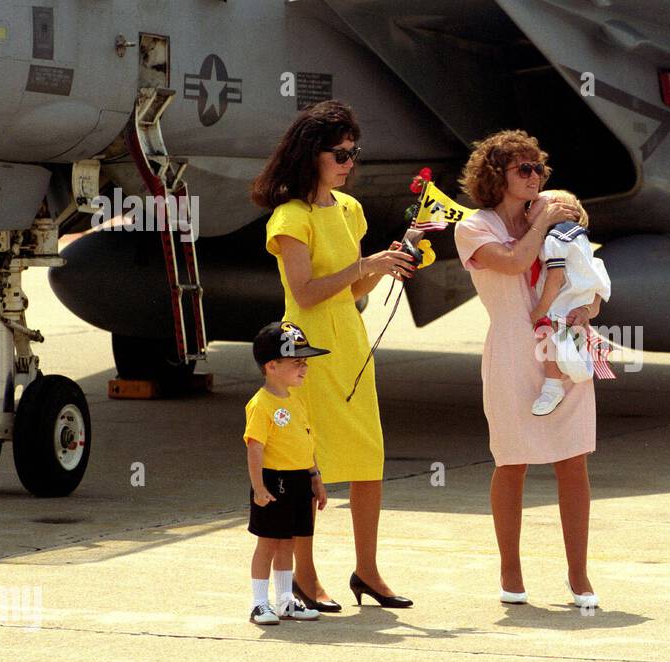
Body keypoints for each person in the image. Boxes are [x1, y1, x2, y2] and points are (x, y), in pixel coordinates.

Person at [250, 102, 417, 612]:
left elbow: (352, 287)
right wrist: (364, 264)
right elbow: (304, 292)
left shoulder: (349, 210)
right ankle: (304, 575)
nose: (348, 161)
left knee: (369, 458)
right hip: (306, 348)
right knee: (305, 464)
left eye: (353, 152)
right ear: (311, 154)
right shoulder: (289, 219)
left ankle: (367, 570)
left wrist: (387, 264)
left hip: (349, 340)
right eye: (339, 153)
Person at [454, 131, 605, 610]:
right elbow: (515, 260)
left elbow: (587, 276)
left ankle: (578, 574)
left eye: (539, 168)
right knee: (511, 461)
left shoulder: (556, 219)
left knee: (574, 460)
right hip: (513, 349)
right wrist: (541, 223)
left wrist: (590, 309)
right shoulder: (473, 228)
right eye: (524, 169)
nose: (536, 177)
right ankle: (510, 570)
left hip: (564, 343)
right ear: (497, 175)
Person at [243, 322, 328, 626]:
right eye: (296, 362)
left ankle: (284, 601)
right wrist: (258, 487)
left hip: (298, 480)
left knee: (289, 542)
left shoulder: (296, 400)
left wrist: (315, 477)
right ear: (272, 366)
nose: (304, 368)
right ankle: (258, 602)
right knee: (268, 542)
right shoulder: (261, 404)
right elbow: (255, 447)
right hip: (273, 480)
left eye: (305, 362)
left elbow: (306, 440)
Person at [528, 190, 612, 416]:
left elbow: (555, 278)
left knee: (546, 337)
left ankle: (553, 386)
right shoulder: (577, 235)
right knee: (564, 344)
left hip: (563, 301)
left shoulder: (555, 239)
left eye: (536, 204)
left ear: (556, 209)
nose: (529, 207)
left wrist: (540, 309)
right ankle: (574, 365)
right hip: (580, 297)